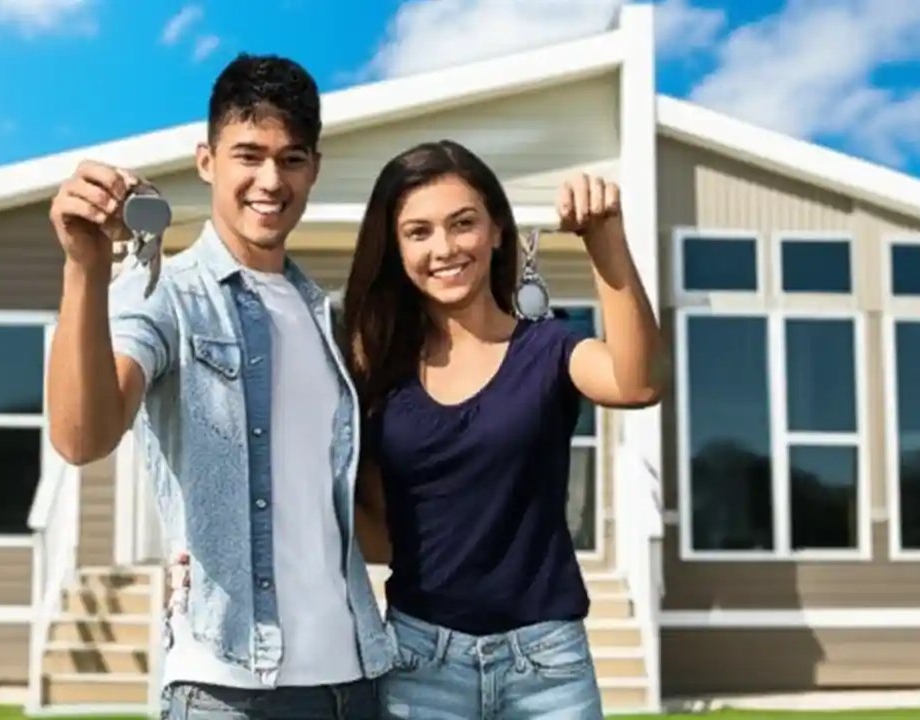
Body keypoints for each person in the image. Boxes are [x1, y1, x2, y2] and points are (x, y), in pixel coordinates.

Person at [44, 53, 393, 720]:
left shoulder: (328, 318)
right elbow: (82, 437)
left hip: (353, 682)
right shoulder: (164, 294)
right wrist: (85, 267)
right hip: (226, 689)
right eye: (248, 155)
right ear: (206, 161)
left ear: (314, 168)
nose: (271, 180)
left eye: (291, 159)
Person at [341, 140, 664, 719]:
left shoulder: (549, 349)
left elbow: (637, 385)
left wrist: (605, 240)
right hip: (420, 664)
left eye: (462, 223)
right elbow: (374, 528)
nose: (444, 248)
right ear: (396, 248)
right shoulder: (377, 372)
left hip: (548, 668)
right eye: (418, 232)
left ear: (496, 231)